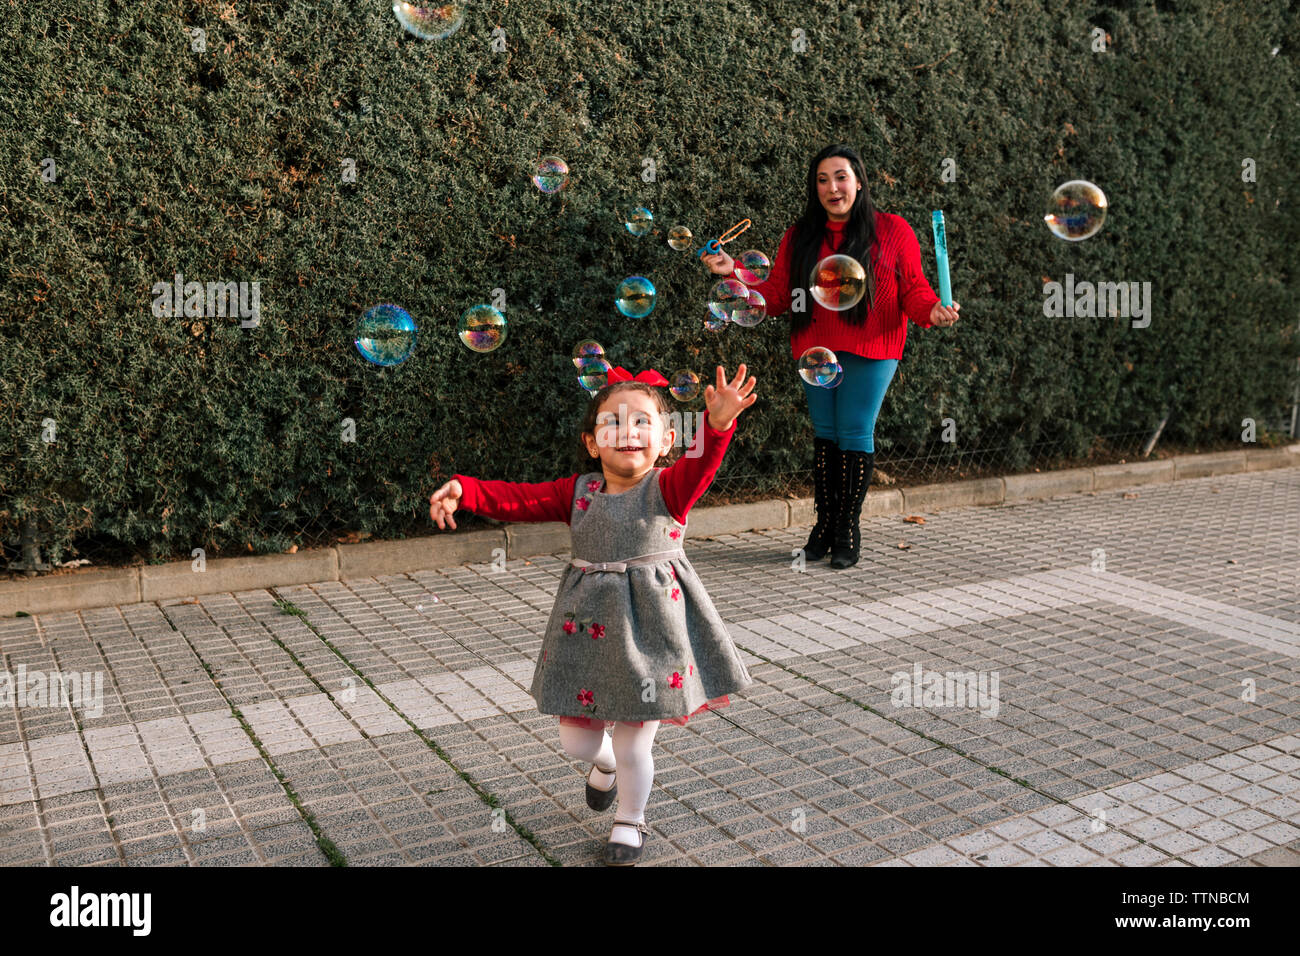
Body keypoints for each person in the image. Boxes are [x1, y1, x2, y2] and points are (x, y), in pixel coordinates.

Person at [428, 364, 758, 865]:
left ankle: (630, 820)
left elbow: (704, 464)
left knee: (633, 745)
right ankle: (601, 767)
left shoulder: (670, 488)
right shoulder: (578, 492)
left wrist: (717, 426)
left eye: (642, 422)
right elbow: (520, 498)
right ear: (591, 442)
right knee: (578, 741)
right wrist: (466, 491)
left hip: (651, 635)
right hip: (586, 631)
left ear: (668, 440)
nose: (628, 432)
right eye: (614, 422)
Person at [703, 143, 961, 569]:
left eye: (840, 177)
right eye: (822, 180)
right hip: (816, 347)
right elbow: (779, 294)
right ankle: (823, 529)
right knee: (825, 435)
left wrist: (931, 310)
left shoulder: (892, 230)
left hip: (872, 347)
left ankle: (846, 530)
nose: (832, 187)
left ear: (859, 182)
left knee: (855, 431)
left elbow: (913, 288)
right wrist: (734, 272)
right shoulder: (801, 234)